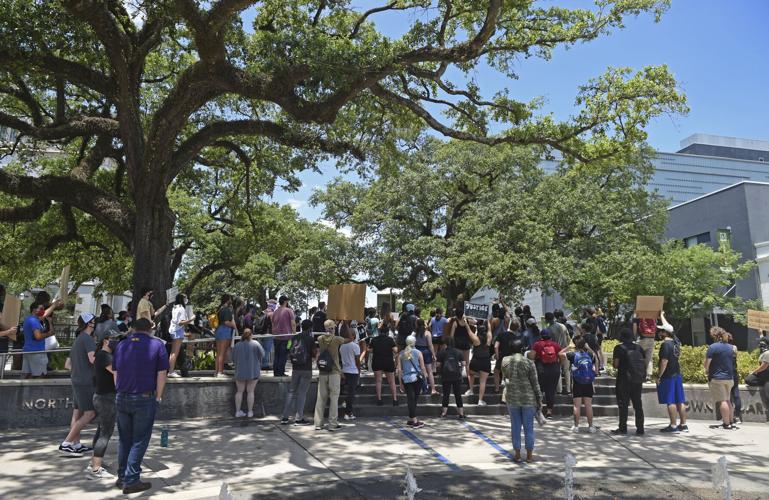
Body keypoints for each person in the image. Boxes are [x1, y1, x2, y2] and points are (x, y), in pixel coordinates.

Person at [112, 318, 169, 494]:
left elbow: (116, 372)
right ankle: (131, 479)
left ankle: (122, 476)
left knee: (124, 439)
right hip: (144, 397)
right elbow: (161, 374)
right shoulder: (157, 345)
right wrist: (158, 397)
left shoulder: (122, 345)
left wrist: (120, 391)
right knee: (139, 440)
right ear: (150, 329)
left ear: (133, 329)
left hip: (122, 396)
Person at [59, 312, 97, 455]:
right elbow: (93, 360)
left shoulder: (78, 339)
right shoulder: (87, 339)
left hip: (77, 379)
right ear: (90, 323)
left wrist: (79, 369)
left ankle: (75, 444)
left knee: (77, 412)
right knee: (90, 413)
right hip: (86, 381)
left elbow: (67, 364)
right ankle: (67, 442)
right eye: (94, 321)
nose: (96, 323)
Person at [87, 328, 121, 480]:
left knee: (101, 430)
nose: (117, 341)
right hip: (106, 398)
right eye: (114, 339)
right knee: (105, 434)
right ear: (106, 341)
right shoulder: (104, 356)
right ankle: (95, 470)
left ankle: (94, 462)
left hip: (102, 397)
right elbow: (116, 373)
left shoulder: (102, 355)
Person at [502, 339, 542, 463]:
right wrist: (539, 399)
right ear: (522, 349)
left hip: (512, 398)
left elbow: (505, 377)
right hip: (528, 399)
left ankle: (517, 455)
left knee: (515, 427)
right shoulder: (529, 363)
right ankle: (529, 456)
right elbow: (535, 383)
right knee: (529, 428)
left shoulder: (505, 361)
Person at [656, 315, 688, 433]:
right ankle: (683, 425)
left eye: (661, 331)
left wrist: (659, 376)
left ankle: (673, 425)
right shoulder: (676, 342)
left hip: (668, 376)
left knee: (671, 401)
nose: (659, 332)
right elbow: (671, 328)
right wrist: (662, 315)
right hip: (677, 374)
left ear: (665, 333)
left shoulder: (665, 345)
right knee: (680, 400)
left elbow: (664, 362)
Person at [612, 328, 646, 435]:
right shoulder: (639, 348)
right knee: (638, 405)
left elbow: (616, 365)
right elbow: (642, 363)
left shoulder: (619, 348)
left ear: (622, 337)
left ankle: (622, 428)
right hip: (637, 380)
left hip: (624, 380)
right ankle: (640, 429)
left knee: (623, 405)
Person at [281, 319, 316, 425]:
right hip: (306, 368)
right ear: (310, 328)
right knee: (302, 393)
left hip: (295, 368)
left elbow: (288, 348)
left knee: (291, 392)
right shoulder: (310, 339)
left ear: (301, 326)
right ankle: (299, 417)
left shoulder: (294, 337)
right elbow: (314, 353)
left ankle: (285, 417)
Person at [314, 319, 345, 431]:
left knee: (320, 398)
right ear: (333, 328)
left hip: (323, 371)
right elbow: (345, 339)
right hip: (334, 372)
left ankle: (318, 423)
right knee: (334, 398)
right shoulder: (337, 339)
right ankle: (332, 424)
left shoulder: (320, 338)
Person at [562, 336, 598, 433]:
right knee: (588, 405)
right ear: (584, 344)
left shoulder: (572, 354)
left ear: (575, 345)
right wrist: (589, 347)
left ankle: (576, 427)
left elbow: (560, 354)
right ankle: (590, 427)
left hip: (577, 382)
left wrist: (569, 347)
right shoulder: (590, 354)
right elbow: (596, 358)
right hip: (588, 382)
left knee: (577, 406)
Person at [705, 326, 738, 430]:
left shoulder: (713, 347)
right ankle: (731, 421)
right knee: (728, 400)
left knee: (722, 401)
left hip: (717, 378)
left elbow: (707, 364)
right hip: (729, 378)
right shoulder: (730, 347)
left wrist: (706, 371)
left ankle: (726, 423)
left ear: (714, 335)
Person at [527, 328, 561, 419]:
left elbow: (531, 356)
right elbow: (561, 356)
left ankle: (539, 411)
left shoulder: (537, 344)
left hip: (541, 369)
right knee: (551, 390)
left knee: (539, 390)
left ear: (541, 336)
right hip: (554, 369)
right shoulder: (556, 345)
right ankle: (549, 412)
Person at [397, 335, 429, 428]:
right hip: (416, 378)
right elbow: (422, 367)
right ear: (414, 342)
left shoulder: (401, 354)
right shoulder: (418, 352)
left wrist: (400, 383)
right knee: (414, 400)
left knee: (410, 399)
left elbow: (399, 370)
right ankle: (415, 421)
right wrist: (425, 379)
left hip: (406, 379)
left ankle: (411, 418)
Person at [232, 328, 265, 417]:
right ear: (251, 335)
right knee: (250, 392)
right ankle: (250, 412)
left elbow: (233, 358)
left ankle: (237, 412)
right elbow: (263, 354)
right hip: (253, 372)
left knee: (239, 391)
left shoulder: (237, 345)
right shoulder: (256, 344)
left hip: (240, 372)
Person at [21, 302, 56, 379]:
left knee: (28, 375)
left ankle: (26, 391)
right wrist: (48, 334)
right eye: (41, 309)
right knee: (40, 375)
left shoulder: (29, 319)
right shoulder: (34, 321)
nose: (43, 310)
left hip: (28, 350)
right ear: (34, 310)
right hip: (37, 351)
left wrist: (54, 306)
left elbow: (44, 315)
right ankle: (37, 391)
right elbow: (38, 336)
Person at [369, 320, 398, 406]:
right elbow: (396, 351)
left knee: (378, 381)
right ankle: (395, 400)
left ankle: (379, 399)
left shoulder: (374, 340)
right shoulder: (390, 340)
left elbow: (369, 350)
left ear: (379, 332)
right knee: (392, 382)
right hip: (388, 362)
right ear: (387, 332)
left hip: (377, 361)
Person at [436, 336, 465, 419]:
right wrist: (459, 369)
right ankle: (461, 413)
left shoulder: (442, 352)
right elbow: (463, 363)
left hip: (446, 376)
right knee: (458, 394)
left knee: (446, 394)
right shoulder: (459, 352)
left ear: (446, 344)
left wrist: (440, 371)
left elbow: (438, 365)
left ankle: (444, 413)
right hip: (456, 376)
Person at [168, 294, 193, 378]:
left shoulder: (175, 307)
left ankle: (171, 370)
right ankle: (171, 371)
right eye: (185, 297)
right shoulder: (181, 308)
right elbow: (181, 322)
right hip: (178, 331)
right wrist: (191, 319)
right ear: (182, 299)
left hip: (173, 330)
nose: (187, 299)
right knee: (175, 352)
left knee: (173, 352)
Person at [545, 312, 570, 395]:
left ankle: (559, 390)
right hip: (566, 350)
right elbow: (568, 338)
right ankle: (568, 389)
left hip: (556, 352)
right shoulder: (563, 326)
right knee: (567, 370)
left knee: (558, 371)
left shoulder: (549, 329)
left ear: (547, 319)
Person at [468, 318, 492, 405]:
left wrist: (467, 324)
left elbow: (469, 331)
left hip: (476, 360)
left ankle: (471, 389)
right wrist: (488, 320)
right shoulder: (489, 339)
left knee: (470, 373)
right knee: (483, 381)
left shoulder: (476, 339)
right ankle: (480, 400)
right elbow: (489, 329)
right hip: (486, 361)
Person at [340, 327, 361, 420]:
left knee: (348, 390)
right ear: (352, 335)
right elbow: (357, 360)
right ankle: (348, 413)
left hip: (344, 370)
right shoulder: (355, 346)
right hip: (353, 371)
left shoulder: (341, 346)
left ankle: (346, 402)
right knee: (351, 392)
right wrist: (359, 370)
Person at [271, 296, 295, 377]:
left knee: (277, 355)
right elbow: (293, 323)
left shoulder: (275, 312)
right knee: (283, 354)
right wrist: (294, 334)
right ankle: (281, 372)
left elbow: (273, 324)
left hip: (276, 337)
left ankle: (276, 372)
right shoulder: (289, 311)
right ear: (285, 301)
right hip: (286, 337)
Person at [494, 320, 521, 392]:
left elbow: (496, 346)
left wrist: (497, 356)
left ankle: (496, 389)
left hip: (501, 357)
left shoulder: (501, 334)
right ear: (517, 328)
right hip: (511, 358)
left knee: (496, 371)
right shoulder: (516, 338)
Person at [214, 294, 237, 377]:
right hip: (224, 331)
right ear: (228, 300)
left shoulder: (219, 309)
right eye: (230, 299)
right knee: (222, 353)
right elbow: (227, 322)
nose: (231, 300)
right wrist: (234, 325)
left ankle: (216, 372)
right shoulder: (226, 309)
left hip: (218, 331)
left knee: (219, 352)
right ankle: (220, 372)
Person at [414, 318, 438, 395]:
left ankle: (421, 388)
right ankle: (433, 389)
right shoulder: (427, 333)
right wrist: (434, 355)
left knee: (419, 371)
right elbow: (430, 345)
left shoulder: (414, 333)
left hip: (417, 351)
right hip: (426, 351)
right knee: (429, 371)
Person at [633, 313, 658, 383]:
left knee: (637, 357)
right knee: (649, 358)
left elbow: (634, 326)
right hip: (651, 338)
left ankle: (638, 375)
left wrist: (634, 337)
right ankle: (648, 377)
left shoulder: (638, 313)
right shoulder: (653, 313)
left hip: (641, 338)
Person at [448, 307, 473, 376]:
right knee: (467, 362)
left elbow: (451, 336)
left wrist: (450, 345)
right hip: (466, 343)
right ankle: (468, 378)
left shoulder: (455, 323)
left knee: (457, 361)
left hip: (457, 344)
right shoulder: (466, 322)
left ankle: (457, 376)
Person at [749, 338, 769, 423]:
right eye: (760, 344)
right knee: (749, 379)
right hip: (763, 377)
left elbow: (764, 366)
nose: (761, 345)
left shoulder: (767, 353)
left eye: (763, 344)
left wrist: (754, 371)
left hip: (767, 377)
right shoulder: (763, 353)